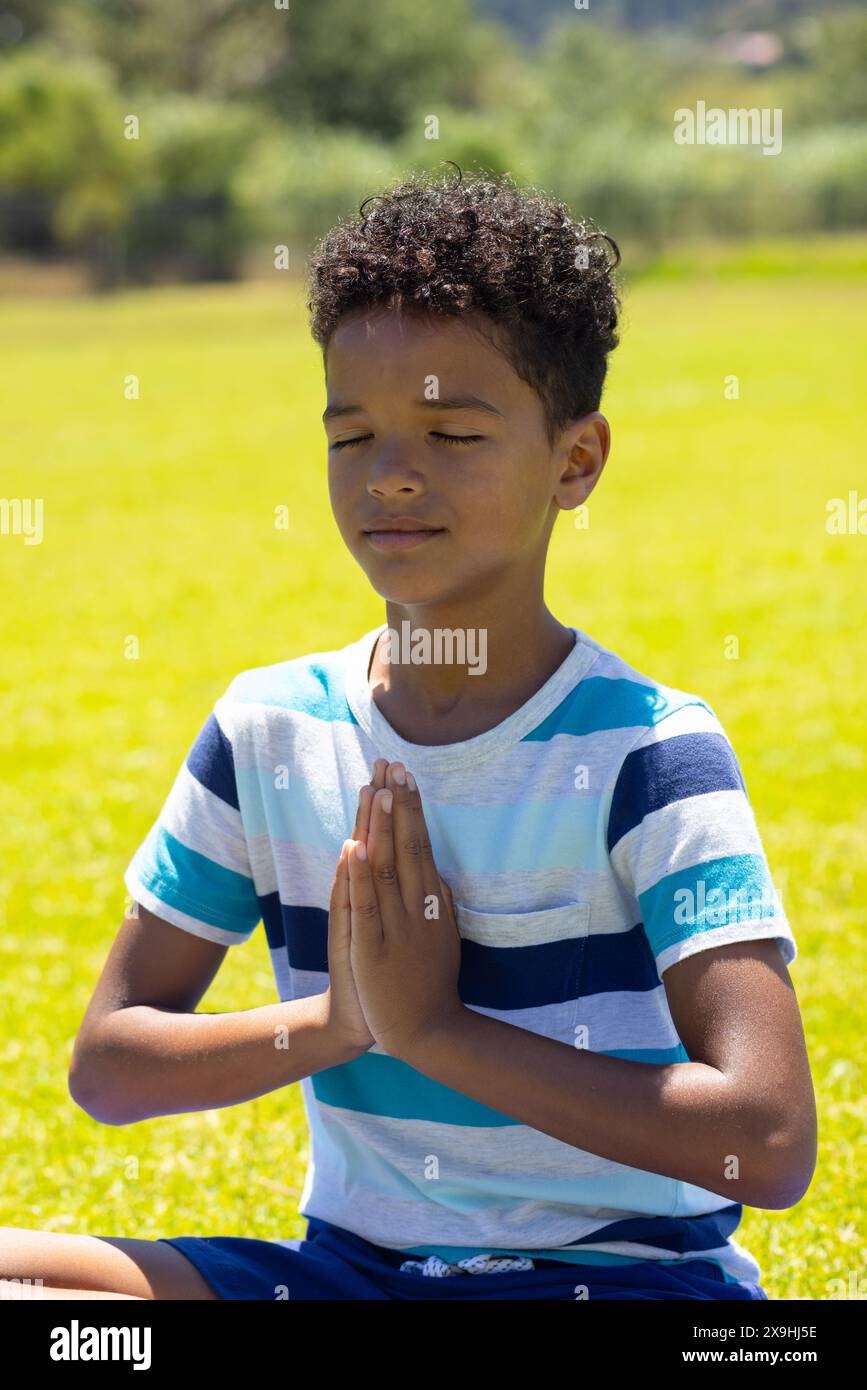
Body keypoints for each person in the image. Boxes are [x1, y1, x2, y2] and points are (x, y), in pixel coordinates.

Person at [0, 168, 816, 1301]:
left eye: (451, 432)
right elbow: (111, 1067)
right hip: (354, 1276)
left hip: (620, 1282)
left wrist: (434, 1030)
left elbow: (767, 1140)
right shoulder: (268, 728)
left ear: (574, 462)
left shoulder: (649, 752)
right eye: (354, 435)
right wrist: (344, 1020)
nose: (391, 475)